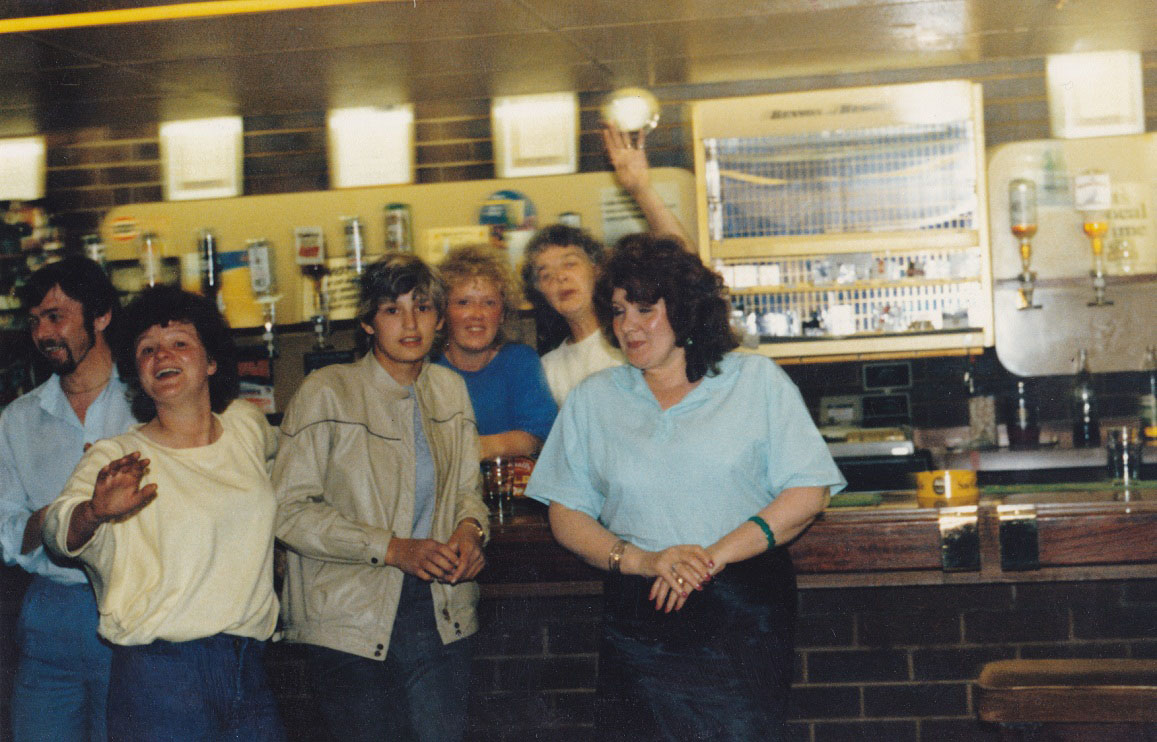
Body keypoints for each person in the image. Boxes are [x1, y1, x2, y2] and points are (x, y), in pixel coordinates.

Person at [525, 235, 846, 741]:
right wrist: (643, 561)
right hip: (639, 611)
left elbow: (808, 493)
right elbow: (566, 513)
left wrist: (711, 557)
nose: (628, 325)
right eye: (618, 311)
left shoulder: (754, 381)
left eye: (645, 309)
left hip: (740, 609)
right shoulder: (594, 400)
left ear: (686, 309)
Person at [40, 286, 285, 742]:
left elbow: (284, 473)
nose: (162, 356)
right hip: (161, 682)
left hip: (250, 671)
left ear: (211, 361)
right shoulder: (117, 456)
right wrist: (94, 511)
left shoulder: (246, 429)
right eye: (147, 349)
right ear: (138, 371)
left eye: (179, 343)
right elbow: (58, 530)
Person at [273, 253, 489, 742]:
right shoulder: (326, 391)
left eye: (423, 307)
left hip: (440, 607)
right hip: (350, 612)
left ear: (439, 318)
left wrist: (471, 531)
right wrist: (391, 547)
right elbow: (287, 511)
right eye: (393, 309)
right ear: (369, 321)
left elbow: (466, 491)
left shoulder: (450, 390)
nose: (411, 323)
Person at [0, 256, 133, 742]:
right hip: (50, 616)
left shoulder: (144, 403)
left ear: (100, 316)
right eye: (34, 321)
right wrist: (65, 517)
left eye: (56, 316)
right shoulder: (18, 419)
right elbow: (7, 532)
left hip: (132, 603)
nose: (42, 333)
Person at [522, 124, 692, 405]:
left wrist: (641, 190)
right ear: (539, 291)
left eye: (569, 264)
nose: (559, 278)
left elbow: (683, 263)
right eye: (545, 274)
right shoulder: (548, 369)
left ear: (598, 269)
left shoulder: (636, 336)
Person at [434, 244, 556, 460]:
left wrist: (467, 448)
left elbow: (537, 436)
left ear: (502, 314)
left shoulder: (519, 361)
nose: (476, 314)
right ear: (443, 311)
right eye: (463, 303)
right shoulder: (428, 369)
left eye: (488, 303)